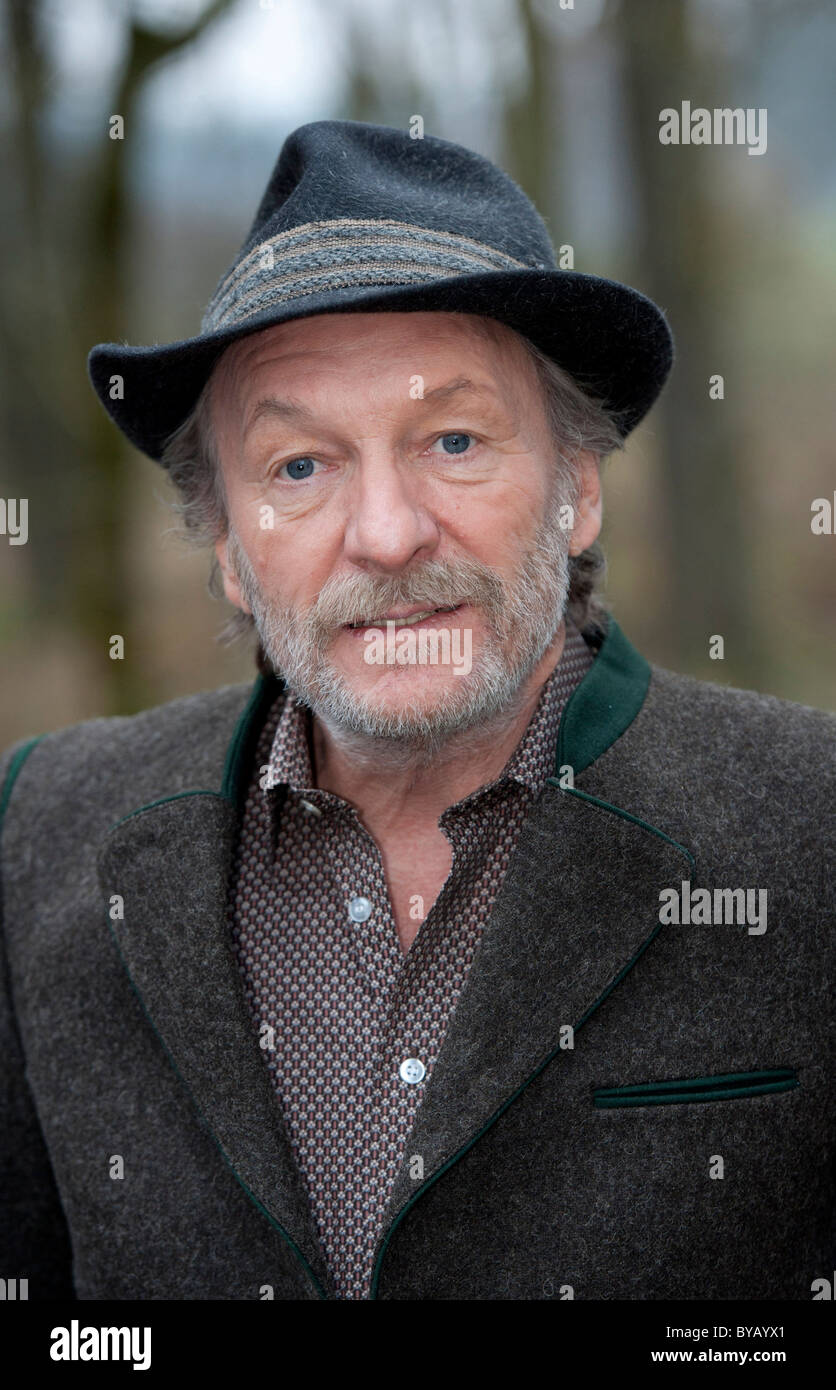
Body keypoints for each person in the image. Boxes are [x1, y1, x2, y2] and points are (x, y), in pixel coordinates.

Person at [1, 120, 833, 1302]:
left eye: (451, 439)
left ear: (575, 490)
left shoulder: (812, 827)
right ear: (231, 549)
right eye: (299, 467)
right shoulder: (39, 834)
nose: (386, 534)